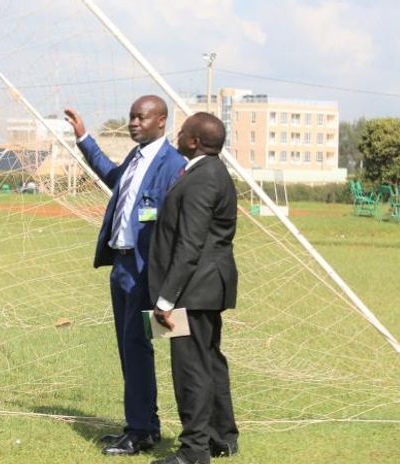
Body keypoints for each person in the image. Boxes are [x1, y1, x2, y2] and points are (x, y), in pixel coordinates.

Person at [64, 96, 187, 456]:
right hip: (122, 268)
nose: (133, 122)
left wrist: (168, 286)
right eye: (131, 116)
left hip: (149, 271)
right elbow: (113, 177)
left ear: (161, 121)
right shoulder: (136, 157)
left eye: (141, 117)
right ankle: (143, 425)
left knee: (157, 347)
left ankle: (146, 431)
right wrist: (85, 139)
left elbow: (177, 223)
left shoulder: (172, 164)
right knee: (130, 348)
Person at [148, 112, 239, 464]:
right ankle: (222, 437)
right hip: (204, 287)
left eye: (182, 130)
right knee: (209, 362)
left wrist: (165, 299)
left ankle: (194, 451)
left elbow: (190, 244)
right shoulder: (207, 171)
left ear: (194, 141)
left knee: (192, 369)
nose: (178, 134)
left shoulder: (204, 178)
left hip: (193, 289)